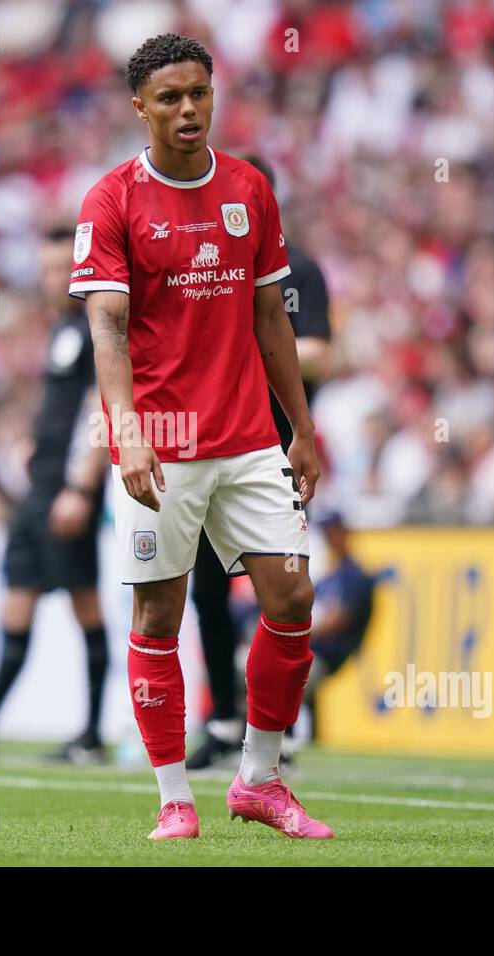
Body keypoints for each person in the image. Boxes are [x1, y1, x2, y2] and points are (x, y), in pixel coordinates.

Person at [72, 34, 332, 839]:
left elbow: (271, 320)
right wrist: (129, 431)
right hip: (165, 436)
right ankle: (174, 797)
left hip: (251, 435)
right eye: (171, 98)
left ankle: (259, 778)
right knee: (159, 617)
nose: (189, 109)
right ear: (140, 107)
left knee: (291, 598)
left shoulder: (250, 188)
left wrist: (302, 427)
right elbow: (107, 330)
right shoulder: (112, 199)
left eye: (200, 94)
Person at [0, 226, 112, 763]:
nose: (56, 279)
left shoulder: (99, 327)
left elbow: (107, 408)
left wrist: (81, 484)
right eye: (48, 269)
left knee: (86, 605)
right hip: (39, 489)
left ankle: (92, 736)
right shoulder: (62, 330)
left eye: (64, 268)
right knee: (17, 602)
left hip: (66, 490)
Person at [186, 154, 332, 771]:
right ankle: (223, 716)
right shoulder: (209, 266)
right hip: (211, 447)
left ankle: (284, 725)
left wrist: (250, 351)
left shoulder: (297, 268)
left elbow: (320, 354)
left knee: (283, 591)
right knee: (207, 591)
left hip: (271, 449)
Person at [297, 511, 377, 745]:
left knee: (285, 676)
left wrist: (300, 628)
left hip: (329, 652)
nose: (329, 538)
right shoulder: (331, 574)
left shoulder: (355, 576)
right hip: (313, 650)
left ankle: (290, 737)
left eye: (331, 532)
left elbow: (338, 620)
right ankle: (305, 734)